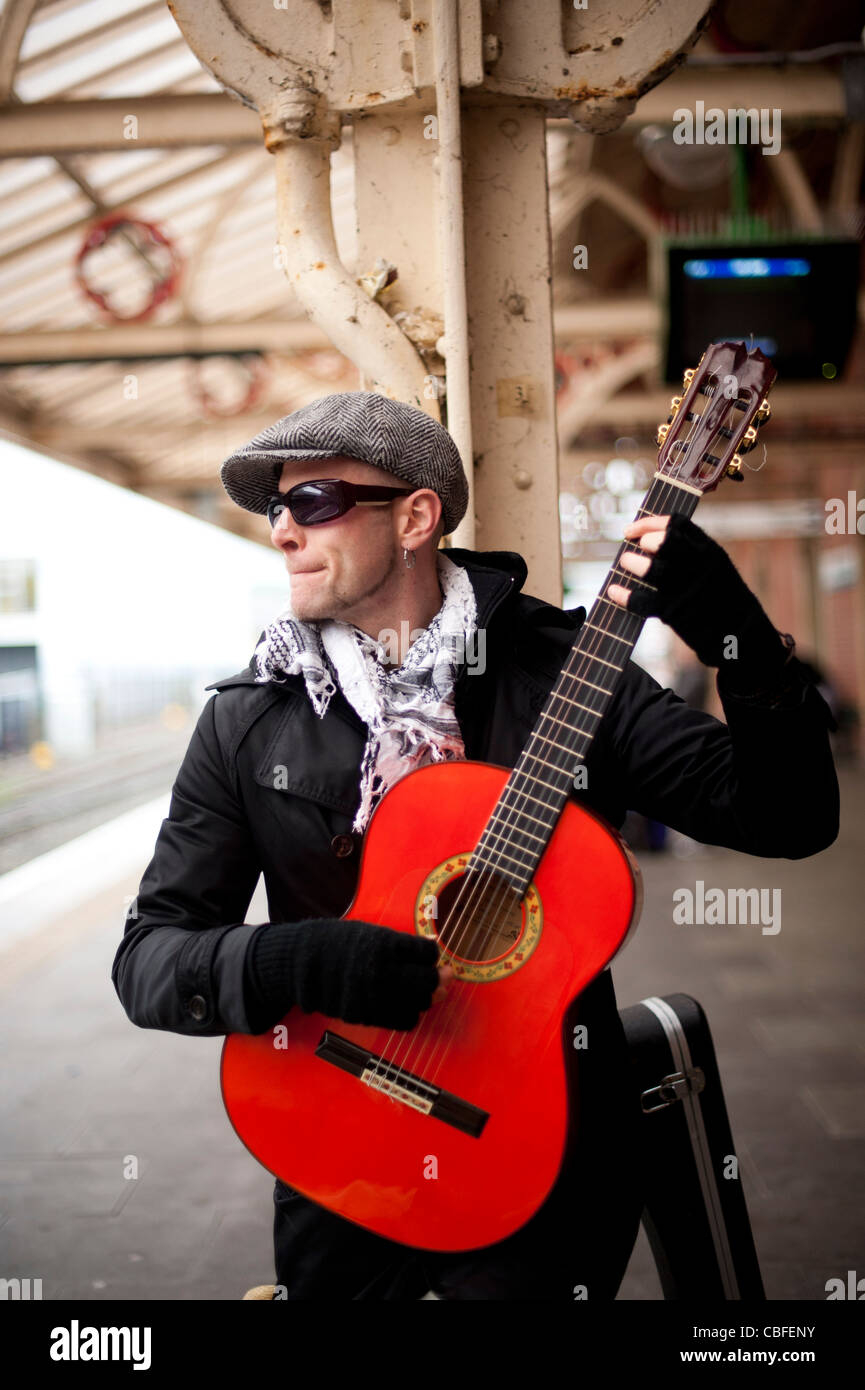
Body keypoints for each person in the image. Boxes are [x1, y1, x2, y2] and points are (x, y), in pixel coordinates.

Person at [111, 390, 839, 1301]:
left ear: (415, 516)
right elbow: (148, 958)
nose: (283, 532)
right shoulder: (249, 719)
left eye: (315, 502)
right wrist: (289, 960)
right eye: (275, 508)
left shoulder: (566, 673)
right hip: (336, 1145)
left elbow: (786, 821)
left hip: (543, 1153)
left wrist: (747, 652)